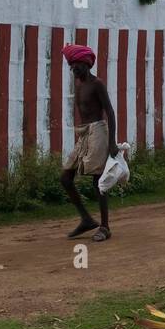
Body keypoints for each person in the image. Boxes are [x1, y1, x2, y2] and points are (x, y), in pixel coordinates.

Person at [60, 43, 118, 242]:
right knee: (65, 178)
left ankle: (105, 227)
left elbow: (110, 112)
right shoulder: (79, 84)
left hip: (98, 131)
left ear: (86, 64)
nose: (73, 69)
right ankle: (86, 219)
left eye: (76, 65)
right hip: (85, 133)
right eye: (71, 65)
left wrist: (112, 142)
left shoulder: (97, 84)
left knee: (98, 181)